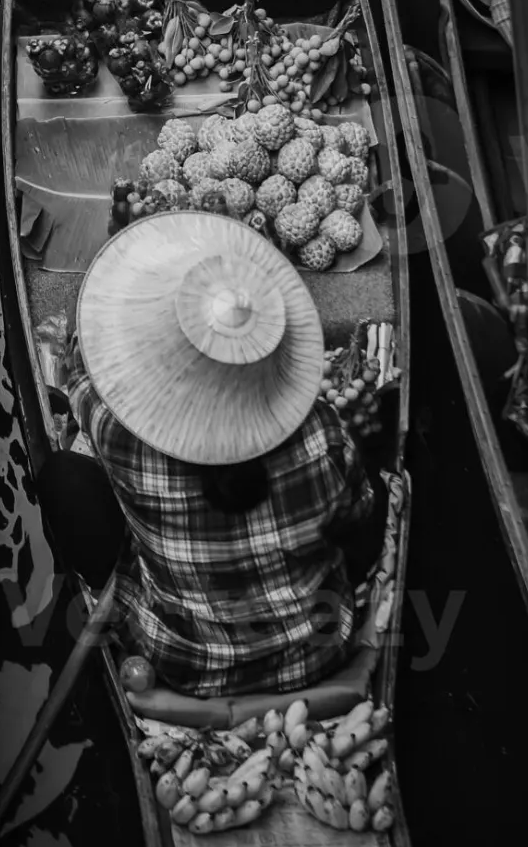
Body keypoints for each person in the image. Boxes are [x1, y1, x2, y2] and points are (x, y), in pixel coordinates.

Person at [36, 212, 385, 712]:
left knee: (65, 477)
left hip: (187, 668)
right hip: (317, 655)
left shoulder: (122, 437)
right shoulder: (322, 432)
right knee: (365, 490)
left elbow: (84, 379)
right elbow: (357, 517)